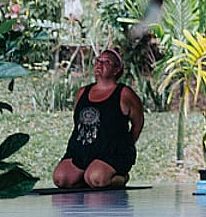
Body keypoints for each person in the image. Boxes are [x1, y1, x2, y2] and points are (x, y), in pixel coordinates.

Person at [53, 48, 144, 189]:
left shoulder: (124, 93)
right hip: (83, 150)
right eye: (98, 61)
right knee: (61, 179)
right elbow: (78, 122)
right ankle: (87, 176)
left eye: (106, 62)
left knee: (96, 179)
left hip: (112, 152)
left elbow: (138, 123)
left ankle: (119, 177)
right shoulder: (82, 92)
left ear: (116, 70)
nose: (99, 65)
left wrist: (127, 144)